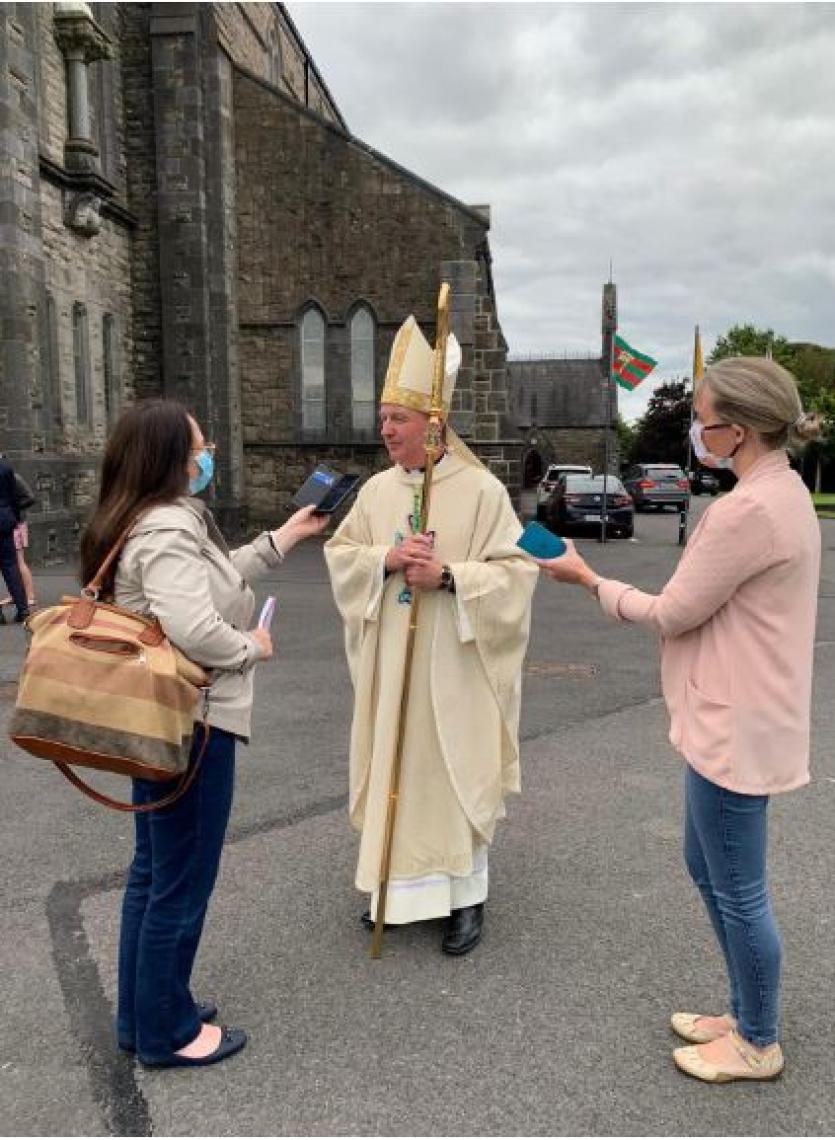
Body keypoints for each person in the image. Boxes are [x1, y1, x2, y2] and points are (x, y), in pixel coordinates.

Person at [537, 357, 822, 1082]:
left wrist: (588, 578)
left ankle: (756, 1040)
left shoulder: (747, 510)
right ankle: (741, 1012)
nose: (695, 430)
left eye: (703, 418)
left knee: (737, 886)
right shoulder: (780, 491)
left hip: (734, 723)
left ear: (737, 429)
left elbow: (672, 612)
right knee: (707, 866)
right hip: (741, 713)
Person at [79, 399, 327, 1068]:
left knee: (155, 873)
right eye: (197, 445)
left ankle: (145, 1013)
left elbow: (209, 584)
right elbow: (195, 629)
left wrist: (286, 536)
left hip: (161, 719)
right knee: (179, 882)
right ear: (167, 457)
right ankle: (167, 1033)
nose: (206, 452)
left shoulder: (152, 518)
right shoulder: (165, 527)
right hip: (191, 722)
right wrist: (252, 647)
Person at [325, 316, 537, 955]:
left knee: (449, 772)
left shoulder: (481, 492)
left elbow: (518, 572)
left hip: (456, 667)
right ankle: (394, 892)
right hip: (395, 667)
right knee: (397, 763)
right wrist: (385, 562)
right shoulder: (377, 492)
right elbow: (343, 552)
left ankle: (466, 899)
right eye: (383, 417)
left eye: (397, 418)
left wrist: (449, 576)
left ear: (433, 424)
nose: (385, 429)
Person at [0, 456, 29, 623]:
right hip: (4, 519)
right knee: (10, 566)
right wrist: (15, 517)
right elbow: (14, 497)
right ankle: (23, 609)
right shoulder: (6, 467)